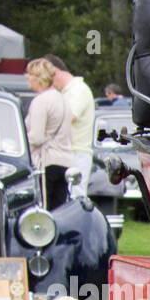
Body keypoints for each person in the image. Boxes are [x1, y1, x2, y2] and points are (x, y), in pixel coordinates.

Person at [24, 58, 74, 210]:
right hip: (65, 161)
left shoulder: (41, 101)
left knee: (44, 210)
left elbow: (36, 137)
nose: (27, 77)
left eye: (30, 74)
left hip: (46, 162)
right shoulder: (63, 99)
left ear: (39, 78)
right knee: (59, 210)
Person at [43, 54, 95, 198]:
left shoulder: (78, 90)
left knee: (75, 198)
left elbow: (69, 117)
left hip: (76, 153)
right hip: (68, 153)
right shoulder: (67, 92)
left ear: (54, 71)